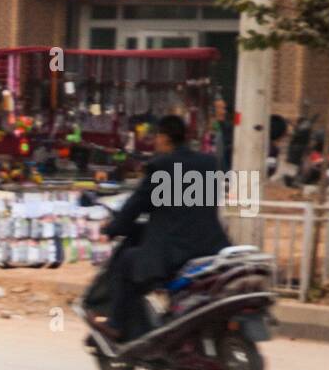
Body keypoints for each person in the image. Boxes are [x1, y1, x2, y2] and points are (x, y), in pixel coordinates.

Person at [94, 114, 230, 343]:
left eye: (157, 136)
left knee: (127, 261)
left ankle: (116, 324)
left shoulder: (162, 166)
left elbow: (137, 204)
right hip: (209, 248)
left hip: (173, 253)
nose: (154, 141)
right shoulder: (208, 163)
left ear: (165, 138)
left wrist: (112, 228)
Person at [211, 97, 234, 169]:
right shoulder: (210, 126)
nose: (224, 112)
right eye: (220, 108)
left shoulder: (229, 128)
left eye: (224, 108)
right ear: (213, 110)